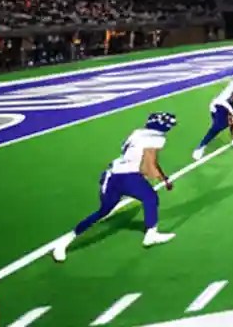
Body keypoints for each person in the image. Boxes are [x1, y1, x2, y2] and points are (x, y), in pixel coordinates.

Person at [53, 112, 178, 262]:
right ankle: (151, 234)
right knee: (150, 197)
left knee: (103, 211)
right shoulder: (158, 138)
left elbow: (142, 157)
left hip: (113, 174)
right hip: (128, 176)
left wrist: (162, 177)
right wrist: (158, 177)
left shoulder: (138, 133)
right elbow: (148, 165)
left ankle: (66, 241)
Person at [193, 72, 233, 161]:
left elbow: (231, 101)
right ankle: (200, 147)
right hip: (219, 105)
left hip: (227, 104)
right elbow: (225, 102)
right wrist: (232, 114)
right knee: (219, 126)